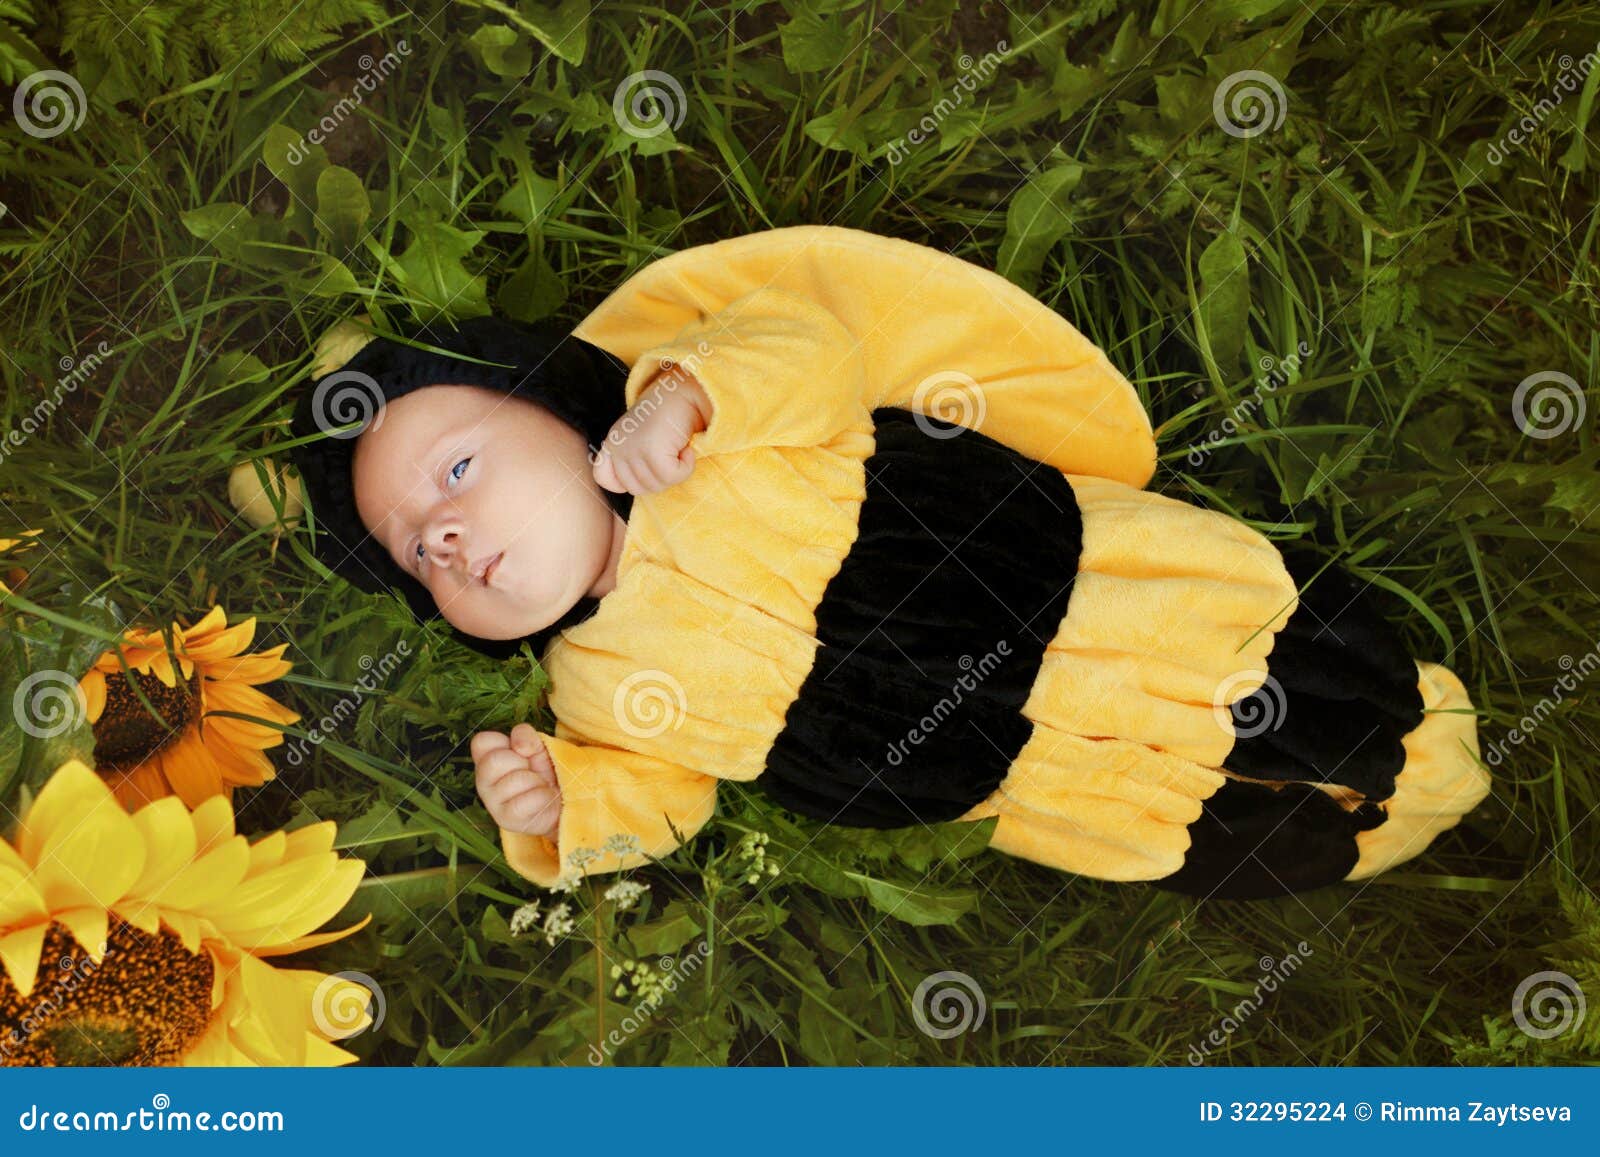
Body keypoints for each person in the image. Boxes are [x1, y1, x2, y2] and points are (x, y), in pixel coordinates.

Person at [288, 225, 1489, 899]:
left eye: (456, 470)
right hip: (993, 773)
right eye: (416, 548)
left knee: (1239, 654)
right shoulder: (593, 694)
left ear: (552, 405)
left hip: (1068, 593)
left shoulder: (701, 434)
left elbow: (806, 347)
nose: (444, 535)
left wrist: (687, 394)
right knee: (1160, 817)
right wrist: (571, 803)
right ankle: (1314, 833)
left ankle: (1393, 711)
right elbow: (672, 793)